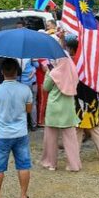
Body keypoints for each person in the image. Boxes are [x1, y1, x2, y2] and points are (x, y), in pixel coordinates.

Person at [0, 57, 34, 198]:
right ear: (17, 72)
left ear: (2, 71)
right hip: (21, 132)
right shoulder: (25, 89)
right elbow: (29, 110)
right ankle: (23, 196)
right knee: (23, 165)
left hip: (2, 134)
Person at [40, 37, 81, 172]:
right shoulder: (73, 71)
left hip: (54, 107)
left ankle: (51, 163)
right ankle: (74, 165)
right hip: (68, 107)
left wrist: (47, 71)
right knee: (70, 138)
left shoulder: (53, 72)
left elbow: (46, 88)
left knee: (50, 137)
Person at [76, 80, 99, 161]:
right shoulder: (93, 71)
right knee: (96, 129)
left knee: (78, 131)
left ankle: (75, 155)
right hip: (91, 101)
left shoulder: (77, 69)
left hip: (80, 103)